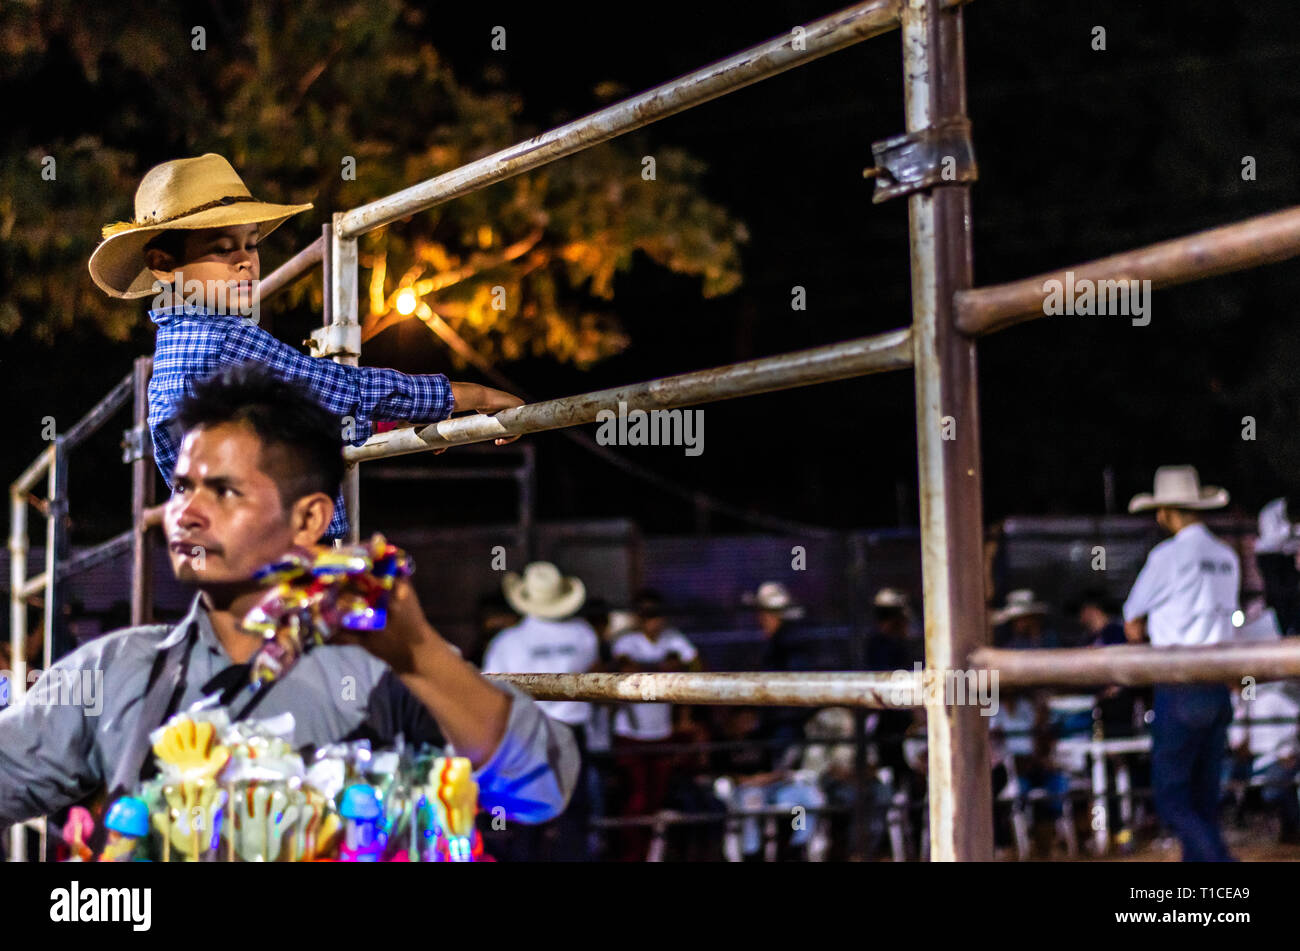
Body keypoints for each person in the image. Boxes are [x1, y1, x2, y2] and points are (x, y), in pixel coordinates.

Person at [0, 364, 578, 847]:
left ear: (309, 519)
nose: (187, 513)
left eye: (222, 490)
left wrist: (421, 656)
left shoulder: (386, 668)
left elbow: (543, 788)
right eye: (182, 488)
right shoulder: (115, 670)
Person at [87, 153, 523, 541]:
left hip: (226, 555)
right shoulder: (224, 339)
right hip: (278, 549)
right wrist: (467, 396)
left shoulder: (173, 348)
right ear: (164, 266)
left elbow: (281, 432)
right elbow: (340, 388)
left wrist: (388, 428)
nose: (246, 261)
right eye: (222, 249)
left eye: (251, 244)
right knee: (376, 602)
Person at [1123, 465, 1240, 862]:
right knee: (1202, 800)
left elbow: (1132, 619)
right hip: (1218, 684)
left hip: (1179, 684)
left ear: (1164, 512)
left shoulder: (1166, 557)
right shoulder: (1226, 556)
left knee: (1173, 799)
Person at [481, 561, 600, 860]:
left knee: (526, 812)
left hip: (528, 732)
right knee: (574, 811)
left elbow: (491, 690)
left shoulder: (507, 643)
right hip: (571, 730)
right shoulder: (584, 635)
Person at [609, 589, 699, 861]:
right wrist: (666, 667)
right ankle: (630, 856)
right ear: (638, 617)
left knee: (656, 800)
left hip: (661, 731)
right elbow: (625, 670)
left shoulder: (673, 639)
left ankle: (652, 855)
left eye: (657, 614)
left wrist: (677, 668)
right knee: (634, 801)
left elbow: (696, 666)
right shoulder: (627, 641)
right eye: (646, 615)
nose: (653, 621)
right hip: (632, 731)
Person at [1255, 495, 1300, 636]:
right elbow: (1270, 541)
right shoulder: (1270, 512)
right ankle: (1279, 629)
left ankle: (1293, 629)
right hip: (1268, 556)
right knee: (1276, 593)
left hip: (1288, 557)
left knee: (1294, 592)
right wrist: (1291, 529)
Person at [993, 589, 1059, 649]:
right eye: (1015, 621)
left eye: (1020, 619)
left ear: (1031, 618)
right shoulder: (1014, 646)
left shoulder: (1050, 639)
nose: (1017, 624)